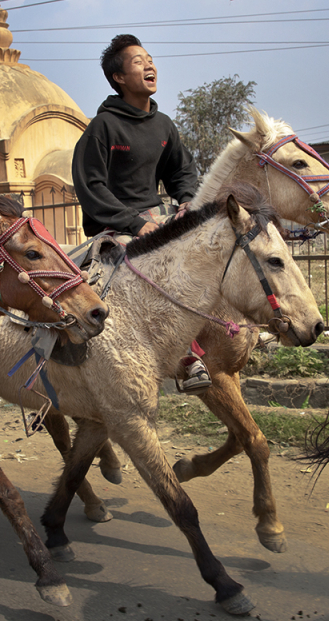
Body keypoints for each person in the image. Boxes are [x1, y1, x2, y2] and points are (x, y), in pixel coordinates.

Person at [71, 33, 210, 393]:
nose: (150, 65)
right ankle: (187, 359)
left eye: (150, 59)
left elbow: (181, 171)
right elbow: (92, 187)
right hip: (114, 227)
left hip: (157, 219)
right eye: (138, 62)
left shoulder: (164, 125)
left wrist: (186, 200)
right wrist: (136, 223)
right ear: (119, 78)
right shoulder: (102, 128)